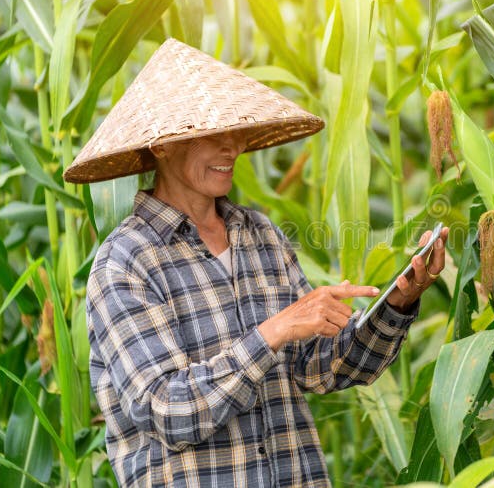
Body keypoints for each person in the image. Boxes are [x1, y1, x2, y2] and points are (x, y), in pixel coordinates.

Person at [64, 38, 449, 487]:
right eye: (211, 132)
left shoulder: (259, 235)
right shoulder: (124, 263)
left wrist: (398, 301)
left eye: (236, 129)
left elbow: (319, 365)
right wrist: (274, 330)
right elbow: (168, 411)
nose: (232, 147)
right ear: (163, 146)